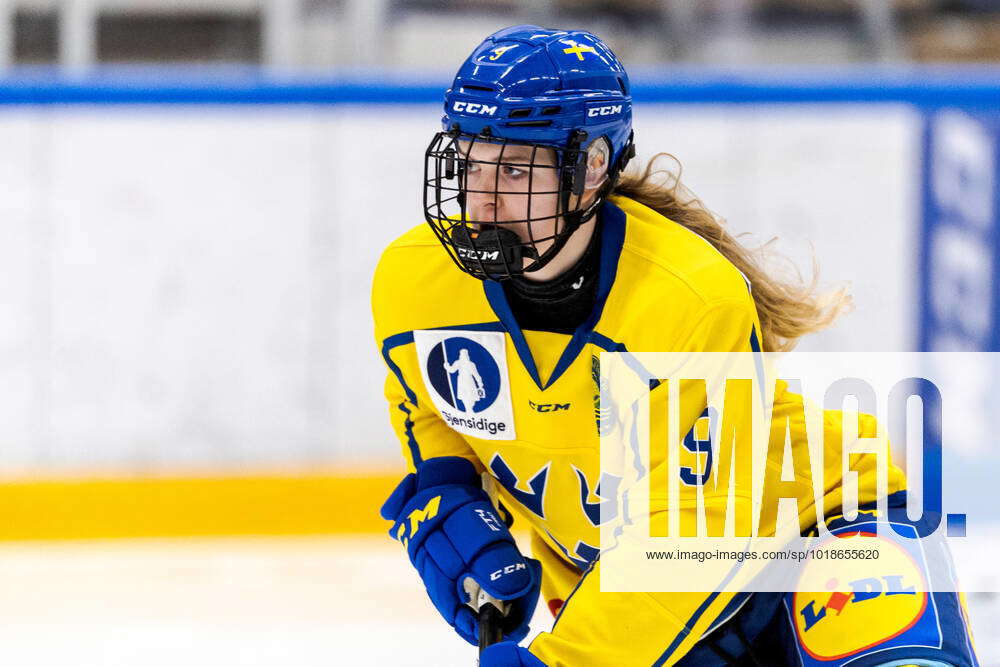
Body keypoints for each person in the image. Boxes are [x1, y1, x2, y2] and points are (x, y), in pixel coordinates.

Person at [372, 25, 978, 666]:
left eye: (517, 168)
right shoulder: (416, 280)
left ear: (591, 168)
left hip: (820, 534)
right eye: (470, 160)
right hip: (625, 591)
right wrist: (453, 496)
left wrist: (563, 661)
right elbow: (431, 410)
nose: (483, 198)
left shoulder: (688, 299)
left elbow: (696, 537)